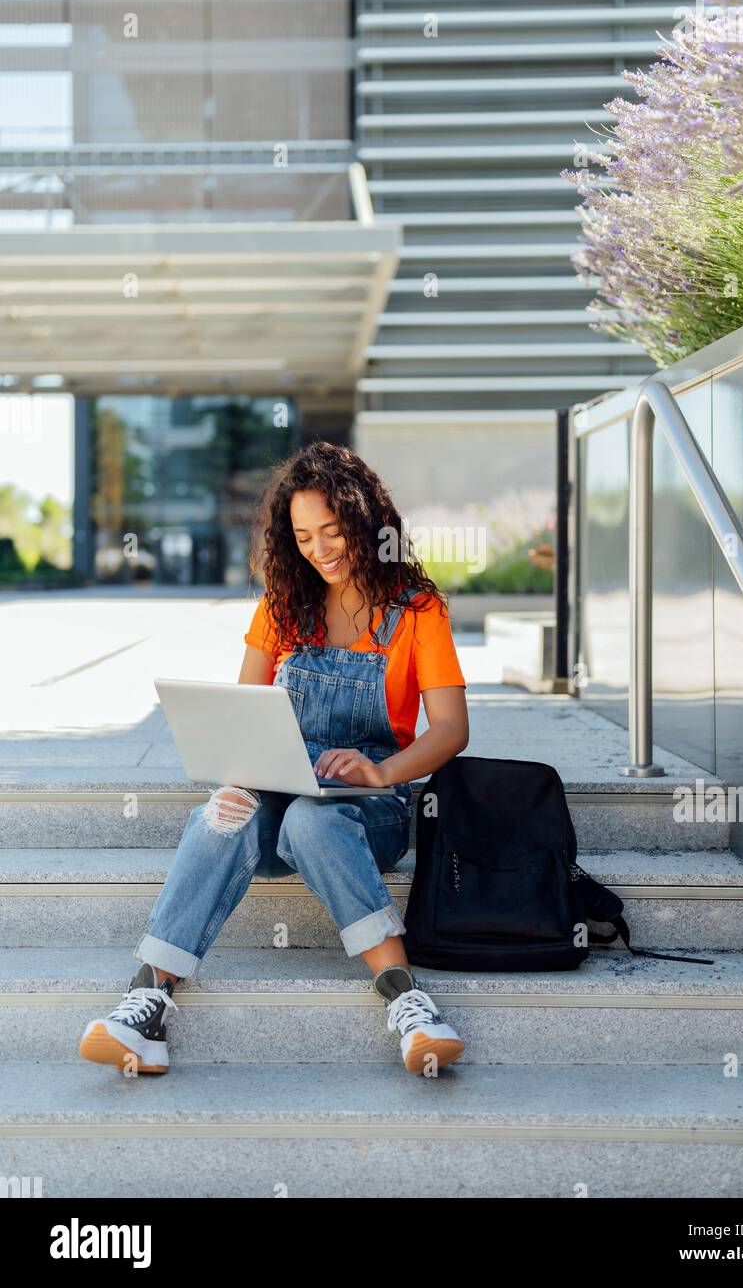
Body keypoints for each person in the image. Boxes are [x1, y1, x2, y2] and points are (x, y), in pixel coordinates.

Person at [79, 442, 470, 1076]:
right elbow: (244, 713)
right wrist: (238, 777)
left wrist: (383, 771)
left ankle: (408, 1001)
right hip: (280, 786)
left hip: (367, 804)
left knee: (312, 821)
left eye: (333, 531)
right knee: (224, 813)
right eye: (304, 536)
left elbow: (451, 729)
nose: (320, 550)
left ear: (367, 522)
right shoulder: (282, 605)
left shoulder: (419, 611)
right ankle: (145, 1004)